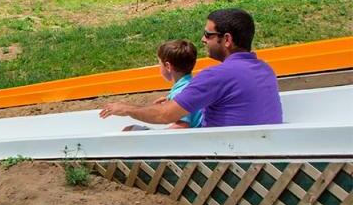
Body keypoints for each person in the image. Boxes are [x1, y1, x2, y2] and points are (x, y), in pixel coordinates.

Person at [100, 9, 282, 128]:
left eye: (208, 34)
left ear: (227, 40)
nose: (203, 39)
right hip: (262, 154)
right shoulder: (265, 70)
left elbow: (165, 115)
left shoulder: (216, 75)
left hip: (222, 159)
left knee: (130, 131)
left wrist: (127, 109)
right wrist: (181, 99)